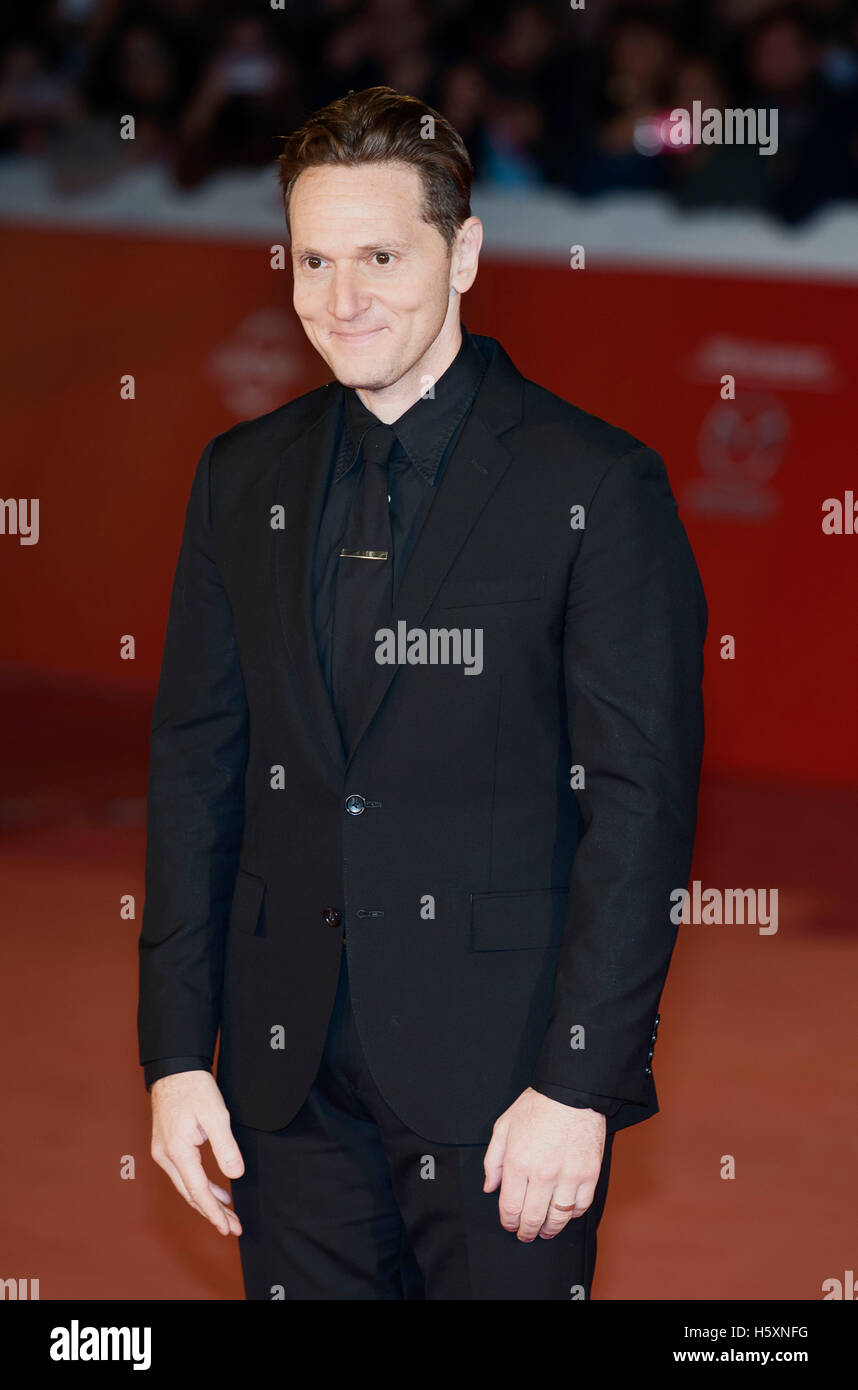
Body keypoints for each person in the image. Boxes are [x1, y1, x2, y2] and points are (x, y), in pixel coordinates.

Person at [138, 84, 707, 1301]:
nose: (341, 301)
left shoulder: (597, 487)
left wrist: (578, 1084)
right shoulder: (241, 477)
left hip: (506, 1087)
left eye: (383, 256)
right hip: (283, 1088)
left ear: (467, 255)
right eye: (314, 259)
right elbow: (199, 770)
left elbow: (639, 805)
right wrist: (179, 1054)